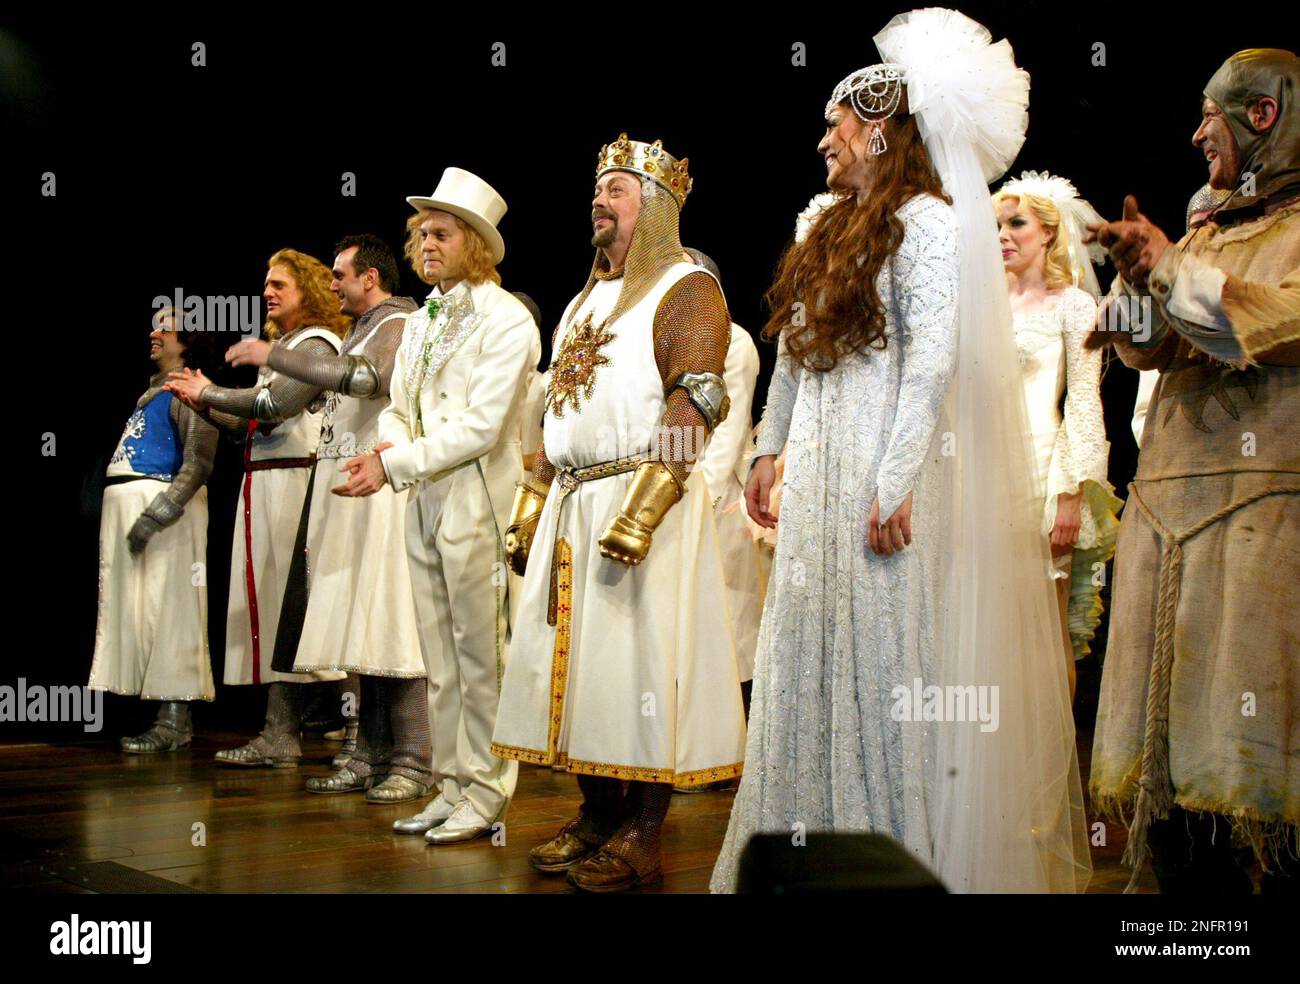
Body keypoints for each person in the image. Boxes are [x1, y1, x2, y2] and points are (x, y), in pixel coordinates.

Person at [712, 8, 1091, 894]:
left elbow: (929, 365)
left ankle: (888, 854)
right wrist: (769, 452)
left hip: (879, 469)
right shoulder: (828, 225)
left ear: (879, 131)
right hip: (816, 468)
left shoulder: (926, 224)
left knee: (879, 662)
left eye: (837, 126)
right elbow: (796, 350)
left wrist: (891, 485)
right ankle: (791, 842)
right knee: (800, 651)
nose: (825, 142)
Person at [491, 134, 747, 891]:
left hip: (643, 504)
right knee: (578, 675)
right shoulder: (582, 298)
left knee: (644, 666)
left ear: (657, 204)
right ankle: (597, 814)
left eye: (617, 191)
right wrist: (533, 502)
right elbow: (555, 409)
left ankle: (643, 832)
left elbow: (697, 395)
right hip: (574, 499)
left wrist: (645, 506)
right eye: (597, 190)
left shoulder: (687, 288)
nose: (599, 202)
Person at [1086, 48, 1300, 895]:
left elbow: (1268, 323)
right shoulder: (1209, 226)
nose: (1194, 133)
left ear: (1261, 117)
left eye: (1209, 115)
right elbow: (1163, 346)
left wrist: (1170, 265)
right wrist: (1139, 283)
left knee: (1247, 769)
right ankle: (1185, 926)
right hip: (1170, 508)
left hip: (1262, 512)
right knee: (1163, 770)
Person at [337, 169, 540, 839]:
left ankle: (487, 794)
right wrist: (388, 450)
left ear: (475, 242)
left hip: (477, 500)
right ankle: (450, 784)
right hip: (423, 496)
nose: (425, 242)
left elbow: (481, 428)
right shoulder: (424, 320)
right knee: (441, 660)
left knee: (482, 657)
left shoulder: (506, 319)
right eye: (421, 232)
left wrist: (390, 463)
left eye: (440, 232)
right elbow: (399, 408)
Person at [166, 249, 350, 767]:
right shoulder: (286, 345)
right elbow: (253, 425)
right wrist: (206, 403)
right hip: (267, 481)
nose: (267, 292)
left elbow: (277, 406)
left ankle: (350, 730)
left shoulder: (317, 344)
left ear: (308, 292)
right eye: (265, 283)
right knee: (274, 611)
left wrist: (213, 391)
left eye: (279, 285)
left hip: (297, 482)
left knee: (305, 608)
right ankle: (285, 732)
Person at [993, 172, 1122, 696]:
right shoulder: (984, 309)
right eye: (997, 224)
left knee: (1046, 639)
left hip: (1043, 476)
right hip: (980, 478)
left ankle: (1051, 773)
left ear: (1047, 232)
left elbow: (1084, 400)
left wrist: (1072, 492)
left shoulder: (1073, 305)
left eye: (1016, 223)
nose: (1003, 234)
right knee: (986, 631)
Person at [89, 308, 218, 752]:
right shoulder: (155, 393)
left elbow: (200, 461)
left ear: (187, 341)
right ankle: (159, 712)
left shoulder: (189, 390)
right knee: (142, 611)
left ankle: (175, 718)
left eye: (165, 327)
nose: (153, 332)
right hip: (136, 509)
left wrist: (159, 512)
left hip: (168, 514)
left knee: (173, 609)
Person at [683, 247, 762, 715]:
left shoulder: (735, 342)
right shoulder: (672, 341)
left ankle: (729, 745)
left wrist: (698, 500)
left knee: (729, 621)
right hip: (673, 494)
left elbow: (727, 435)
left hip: (719, 498)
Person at [1130, 184, 1231, 447]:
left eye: (1220, 223)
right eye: (1199, 226)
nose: (1209, 236)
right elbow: (1144, 416)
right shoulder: (1165, 306)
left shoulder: (1260, 291)